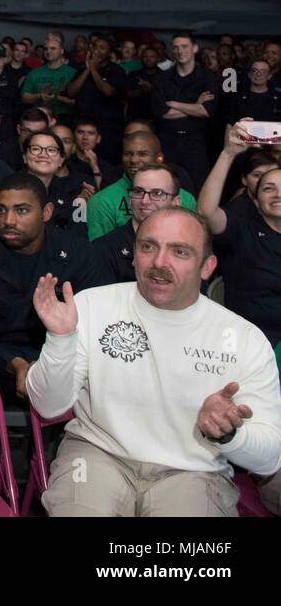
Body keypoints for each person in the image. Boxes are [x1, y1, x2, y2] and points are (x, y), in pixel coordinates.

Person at [28, 206, 281, 516]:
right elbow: (48, 406)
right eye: (148, 247)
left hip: (193, 469)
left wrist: (229, 433)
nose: (159, 262)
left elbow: (269, 458)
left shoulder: (244, 339)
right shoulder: (90, 306)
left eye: (180, 252)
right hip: (97, 455)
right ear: (134, 255)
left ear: (207, 267)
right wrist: (60, 340)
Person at [0, 173, 102, 405]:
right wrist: (14, 362)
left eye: (21, 210)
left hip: (61, 361)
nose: (8, 220)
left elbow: (92, 327)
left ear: (47, 212)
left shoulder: (78, 253)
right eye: (0, 210)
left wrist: (49, 364)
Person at [197, 121, 281, 346]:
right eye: (268, 188)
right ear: (255, 197)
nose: (277, 194)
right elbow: (206, 212)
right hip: (251, 342)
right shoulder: (242, 229)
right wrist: (228, 153)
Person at [87, 131, 197, 240]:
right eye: (128, 154)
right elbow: (101, 252)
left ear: (159, 158)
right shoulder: (102, 201)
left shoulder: (185, 198)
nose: (133, 160)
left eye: (143, 154)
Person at [92, 165, 181, 285]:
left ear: (175, 203)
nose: (145, 201)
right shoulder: (103, 249)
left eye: (157, 193)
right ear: (130, 199)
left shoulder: (187, 248)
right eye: (138, 191)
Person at [152, 31, 217, 191]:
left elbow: (205, 111)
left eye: (184, 46)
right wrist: (194, 105)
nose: (180, 51)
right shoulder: (161, 78)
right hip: (167, 141)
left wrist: (175, 103)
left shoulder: (208, 77)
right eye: (176, 47)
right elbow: (163, 113)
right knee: (165, 186)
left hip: (196, 143)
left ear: (195, 48)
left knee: (198, 189)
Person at [64, 34, 127, 163]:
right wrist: (87, 69)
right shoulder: (81, 68)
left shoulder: (116, 71)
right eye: (94, 46)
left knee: (107, 162)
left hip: (107, 128)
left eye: (102, 47)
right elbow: (70, 92)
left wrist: (93, 69)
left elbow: (108, 92)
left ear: (109, 52)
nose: (97, 50)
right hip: (83, 125)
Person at [19, 32, 76, 120]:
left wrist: (58, 98)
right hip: (39, 117)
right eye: (46, 49)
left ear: (61, 51)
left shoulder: (72, 73)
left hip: (64, 118)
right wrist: (39, 96)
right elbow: (24, 97)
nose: (49, 51)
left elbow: (80, 102)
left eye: (53, 49)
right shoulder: (35, 72)